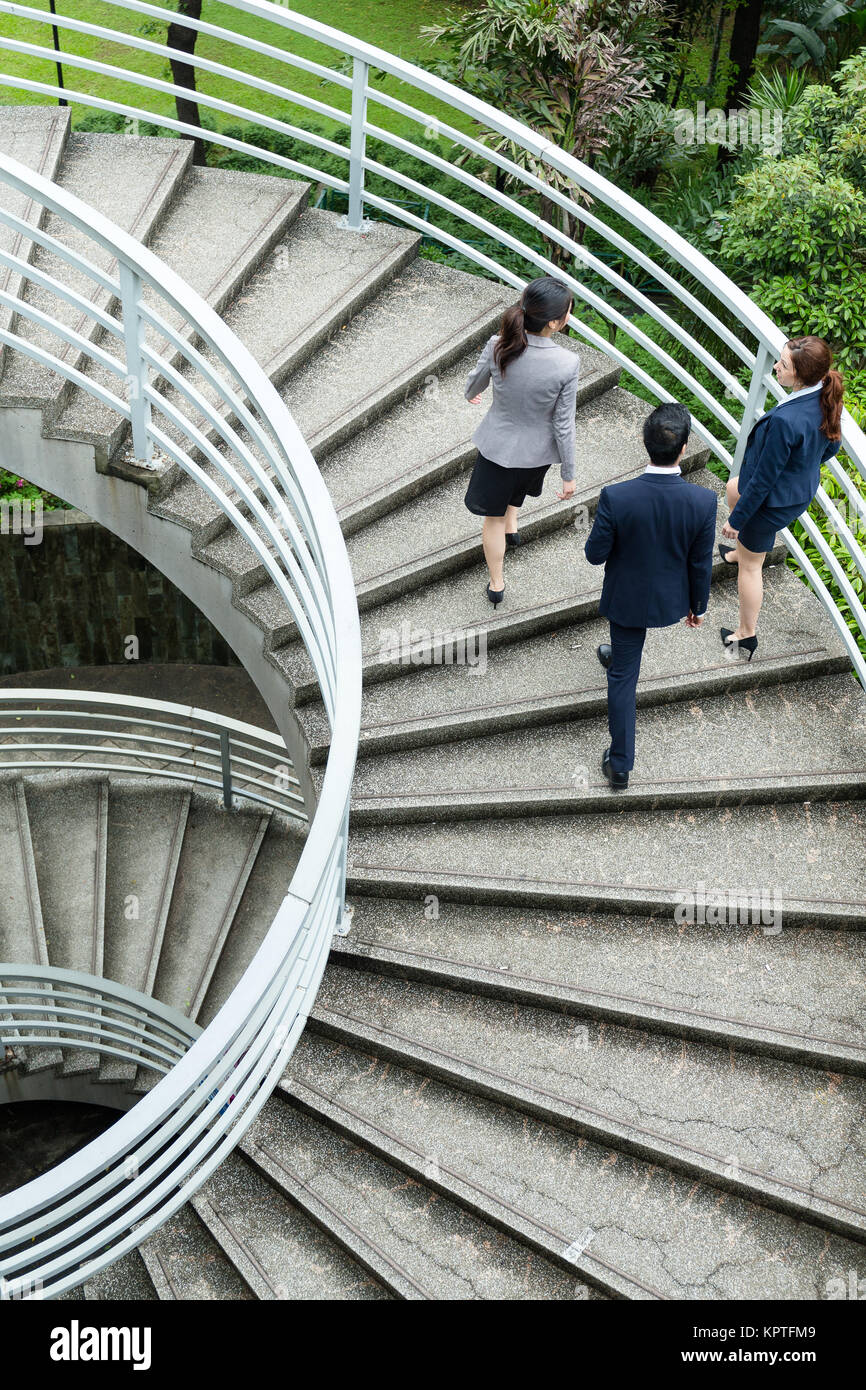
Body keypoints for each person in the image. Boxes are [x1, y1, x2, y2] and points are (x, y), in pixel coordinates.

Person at [584, 402, 717, 790]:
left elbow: (595, 555)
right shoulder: (702, 501)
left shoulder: (617, 496)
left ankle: (621, 764)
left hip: (626, 599)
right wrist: (698, 606)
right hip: (667, 600)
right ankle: (616, 654)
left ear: (645, 444)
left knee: (624, 677)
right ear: (685, 447)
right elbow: (699, 564)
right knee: (624, 660)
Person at [719, 336, 844, 659]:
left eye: (783, 365)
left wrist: (736, 520)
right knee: (734, 486)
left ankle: (746, 634)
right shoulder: (822, 395)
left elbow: (762, 482)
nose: (775, 366)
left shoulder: (786, 421)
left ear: (801, 375)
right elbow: (832, 445)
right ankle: (739, 551)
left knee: (752, 567)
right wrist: (801, 465)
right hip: (794, 490)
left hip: (771, 502)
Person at [464, 276, 580, 606]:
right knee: (519, 489)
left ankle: (497, 583)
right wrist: (568, 474)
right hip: (537, 453)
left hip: (497, 450)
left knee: (493, 518)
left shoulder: (498, 344)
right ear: (555, 323)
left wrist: (472, 394)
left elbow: (475, 385)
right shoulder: (567, 363)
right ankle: (513, 521)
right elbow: (563, 424)